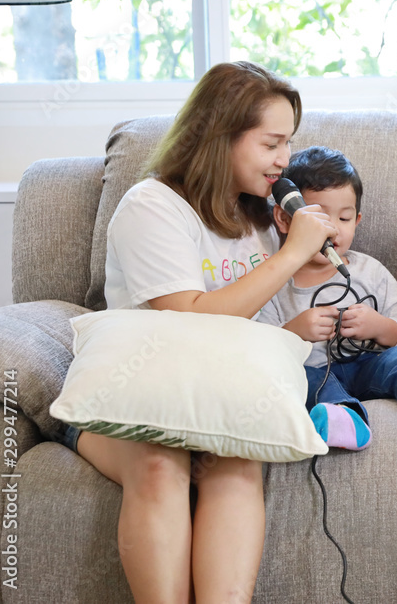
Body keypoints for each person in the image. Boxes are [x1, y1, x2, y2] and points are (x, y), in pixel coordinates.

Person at [56, 61, 335, 602]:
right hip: (135, 397)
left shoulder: (259, 216)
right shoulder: (151, 206)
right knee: (160, 463)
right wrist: (290, 255)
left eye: (288, 143)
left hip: (220, 395)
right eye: (271, 143)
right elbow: (189, 316)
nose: (285, 159)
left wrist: (300, 251)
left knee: (236, 465)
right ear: (219, 136)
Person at [256, 145, 397, 451]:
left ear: (357, 220)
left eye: (344, 218)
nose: (333, 229)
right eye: (319, 217)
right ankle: (345, 420)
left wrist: (380, 327)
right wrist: (294, 332)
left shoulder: (371, 271)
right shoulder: (273, 280)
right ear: (284, 220)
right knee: (303, 378)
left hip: (371, 365)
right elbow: (261, 353)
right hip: (316, 374)